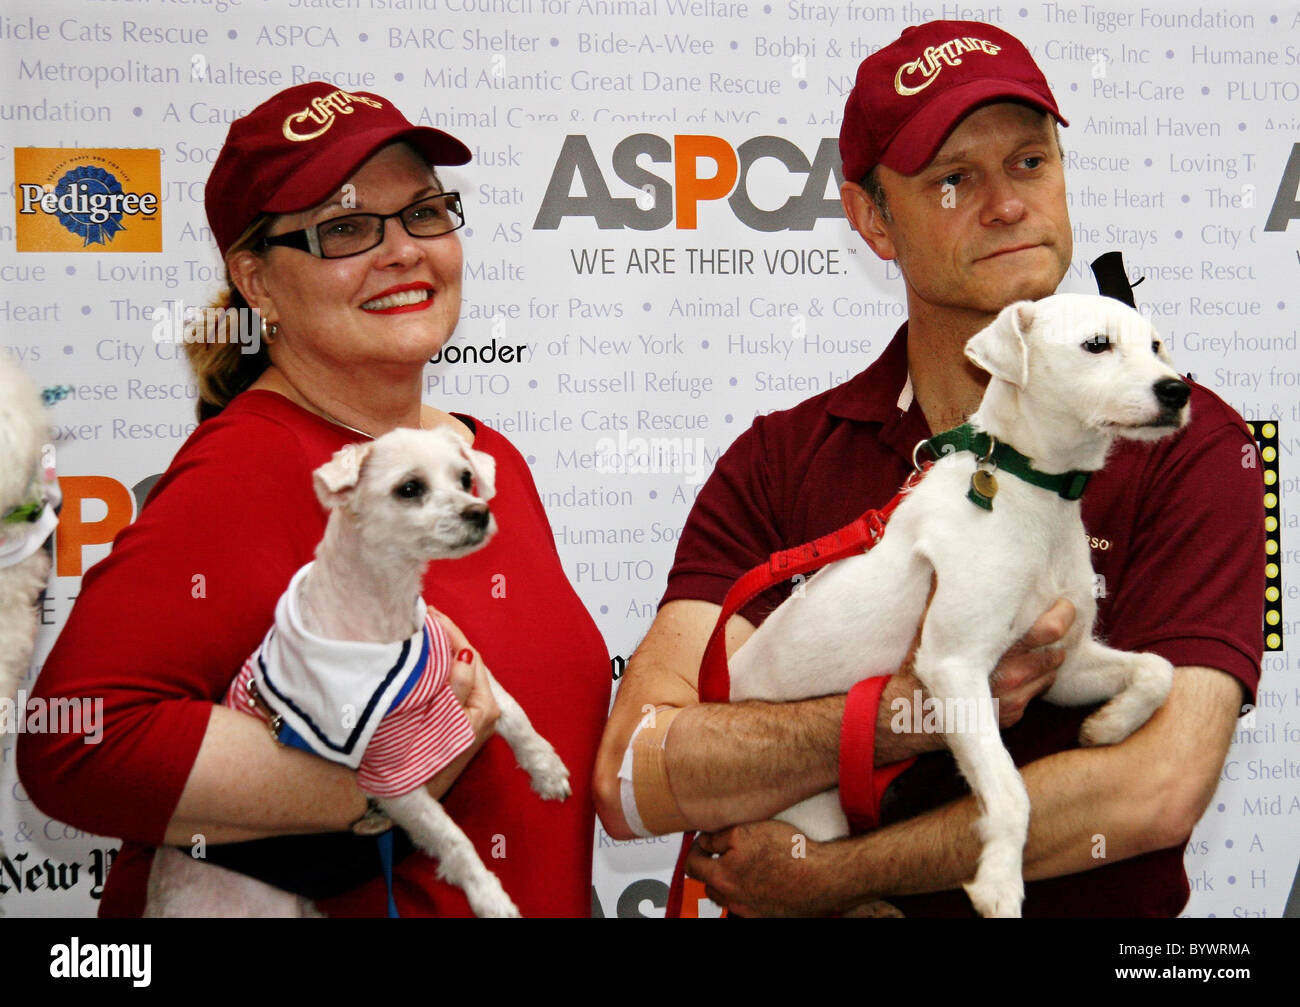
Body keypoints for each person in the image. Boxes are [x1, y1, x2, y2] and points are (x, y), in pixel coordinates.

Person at [592, 20, 1263, 917]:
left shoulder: (1196, 443)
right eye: (954, 179)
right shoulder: (783, 454)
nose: (1007, 205)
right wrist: (900, 712)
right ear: (873, 218)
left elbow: (1158, 790)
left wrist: (833, 878)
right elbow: (637, 774)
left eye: (1030, 162)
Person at [18, 83, 610, 917]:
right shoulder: (254, 463)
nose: (402, 250)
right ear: (256, 281)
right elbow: (75, 738)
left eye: (424, 213)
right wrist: (375, 792)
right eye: (345, 227)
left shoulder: (479, 455)